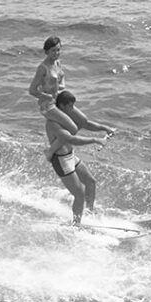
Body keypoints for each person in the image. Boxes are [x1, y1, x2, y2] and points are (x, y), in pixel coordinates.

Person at [28, 35, 115, 159]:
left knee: (82, 120)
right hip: (47, 106)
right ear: (47, 52)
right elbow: (32, 90)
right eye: (53, 50)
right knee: (73, 128)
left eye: (58, 50)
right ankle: (51, 150)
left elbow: (62, 79)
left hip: (57, 99)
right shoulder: (42, 68)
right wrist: (46, 96)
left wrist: (60, 88)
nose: (56, 53)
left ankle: (107, 129)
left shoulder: (58, 63)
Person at [45, 91, 109, 225]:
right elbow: (71, 139)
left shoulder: (66, 119)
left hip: (71, 156)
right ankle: (76, 224)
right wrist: (95, 140)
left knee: (91, 182)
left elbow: (86, 124)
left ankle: (89, 213)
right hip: (61, 160)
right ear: (61, 106)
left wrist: (105, 128)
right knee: (79, 194)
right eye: (70, 107)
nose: (72, 110)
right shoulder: (52, 123)